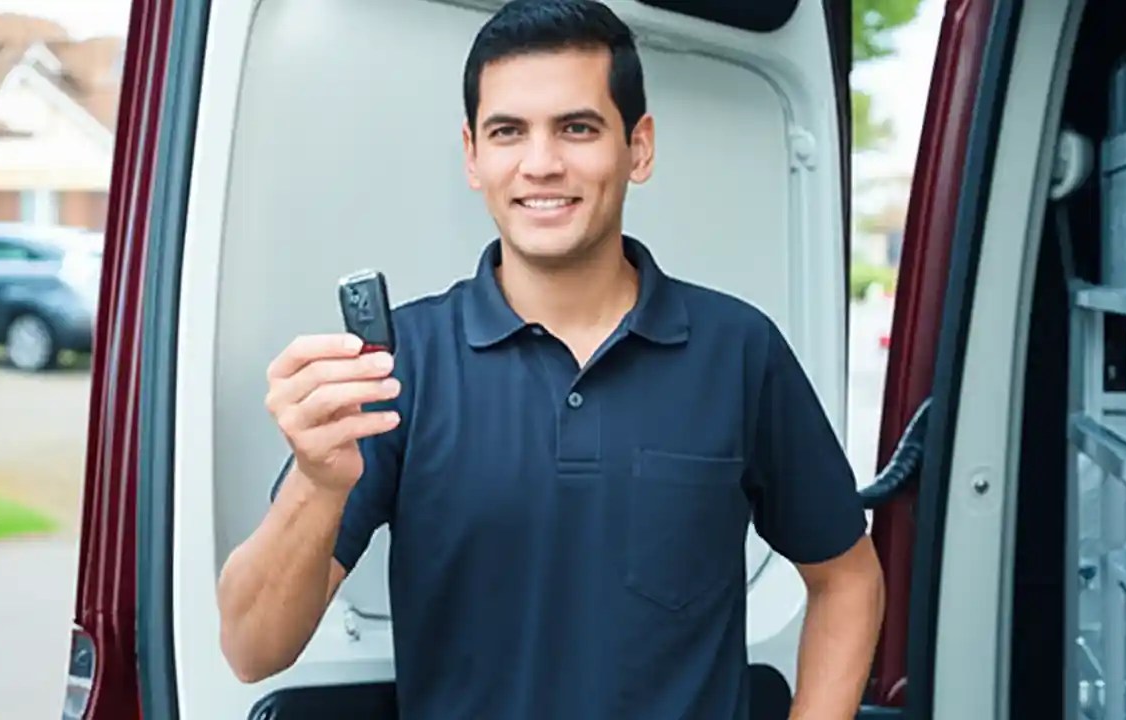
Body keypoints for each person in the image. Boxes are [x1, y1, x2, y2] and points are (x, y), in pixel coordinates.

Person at [216, 1, 885, 717]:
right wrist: (318, 485)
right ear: (473, 155)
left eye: (577, 128)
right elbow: (253, 647)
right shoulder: (398, 368)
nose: (542, 164)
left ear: (639, 146)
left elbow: (847, 579)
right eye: (509, 132)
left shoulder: (738, 351)